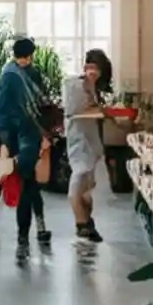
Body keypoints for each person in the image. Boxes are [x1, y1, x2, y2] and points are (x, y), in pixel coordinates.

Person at [0, 37, 51, 253]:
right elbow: (43, 105)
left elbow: (0, 111)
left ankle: (26, 236)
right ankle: (34, 230)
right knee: (29, 183)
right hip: (28, 135)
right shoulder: (23, 75)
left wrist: (3, 142)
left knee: (28, 182)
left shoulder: (7, 75)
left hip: (19, 135)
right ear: (29, 55)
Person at [64, 49, 113, 242]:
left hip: (90, 140)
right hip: (79, 139)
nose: (94, 73)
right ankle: (81, 224)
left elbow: (93, 109)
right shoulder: (75, 85)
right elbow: (74, 111)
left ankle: (86, 221)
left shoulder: (92, 87)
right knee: (78, 183)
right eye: (91, 68)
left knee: (88, 184)